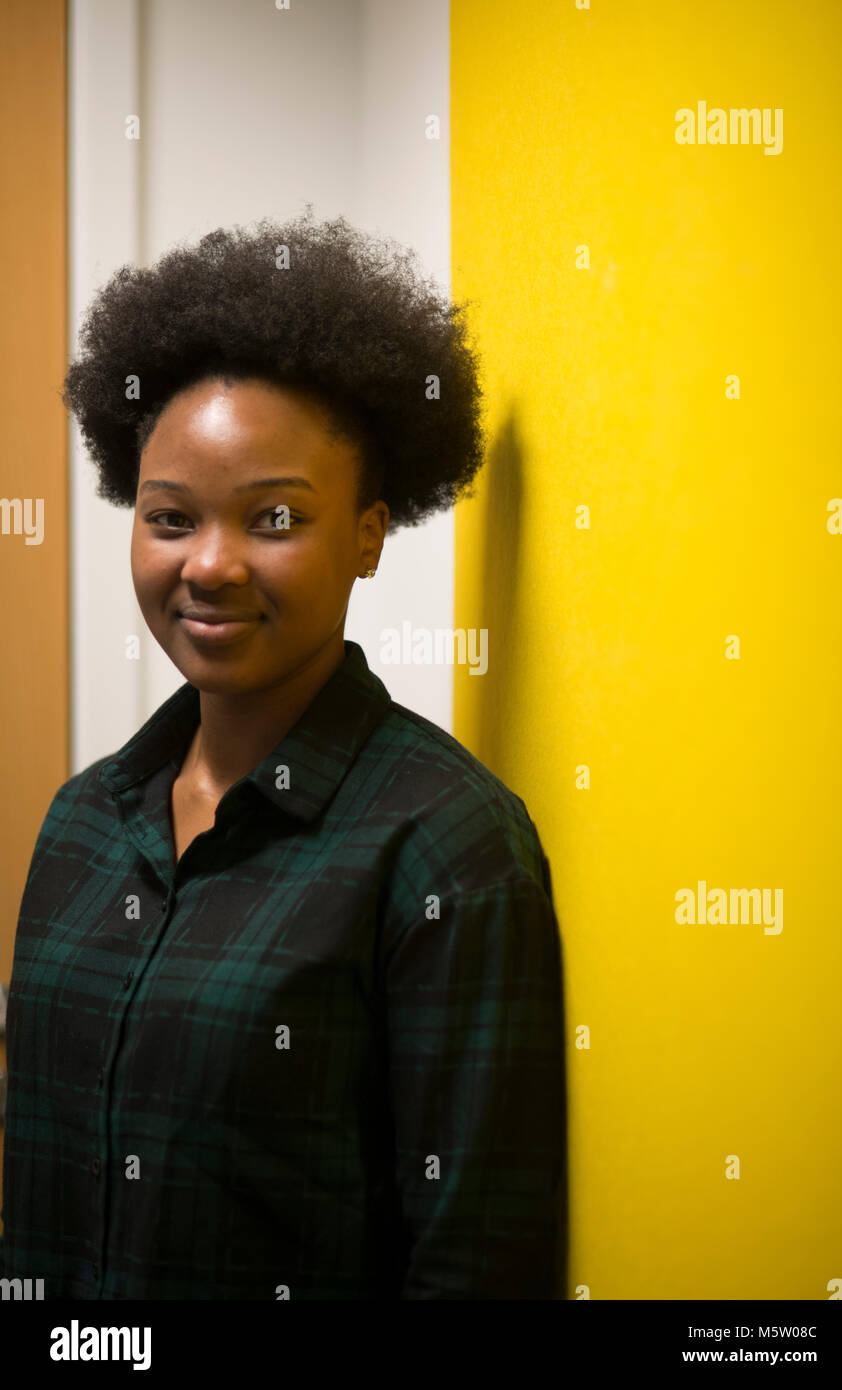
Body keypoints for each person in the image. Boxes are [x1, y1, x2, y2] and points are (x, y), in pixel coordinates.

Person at [0, 207, 567, 1299]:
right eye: (171, 518)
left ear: (368, 531)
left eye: (272, 519)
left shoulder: (448, 853)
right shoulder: (80, 823)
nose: (208, 565)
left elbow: (474, 1264)